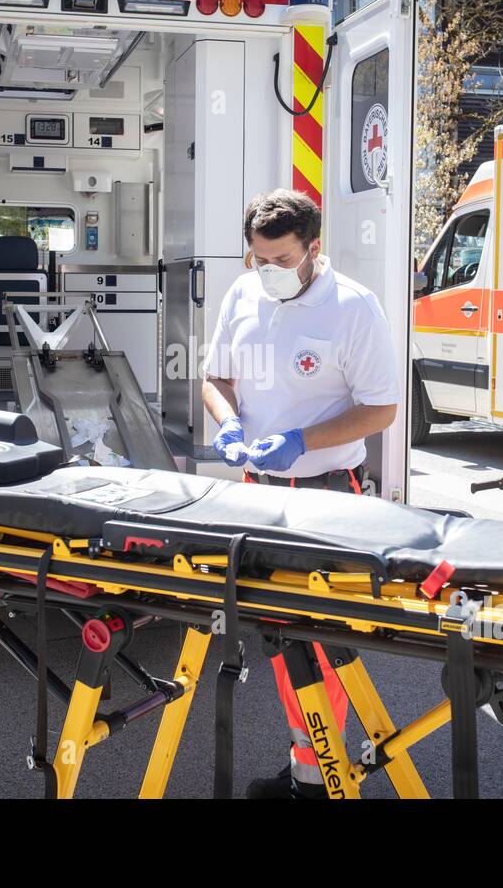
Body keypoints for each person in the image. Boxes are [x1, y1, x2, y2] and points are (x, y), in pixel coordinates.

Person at [201, 188, 400, 798]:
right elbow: (215, 377)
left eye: (280, 261)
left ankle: (317, 780)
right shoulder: (243, 293)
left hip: (327, 494)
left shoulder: (353, 309)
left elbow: (382, 409)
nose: (266, 272)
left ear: (315, 248)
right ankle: (306, 766)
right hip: (261, 490)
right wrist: (227, 421)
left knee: (322, 639)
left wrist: (302, 439)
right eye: (256, 259)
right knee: (279, 636)